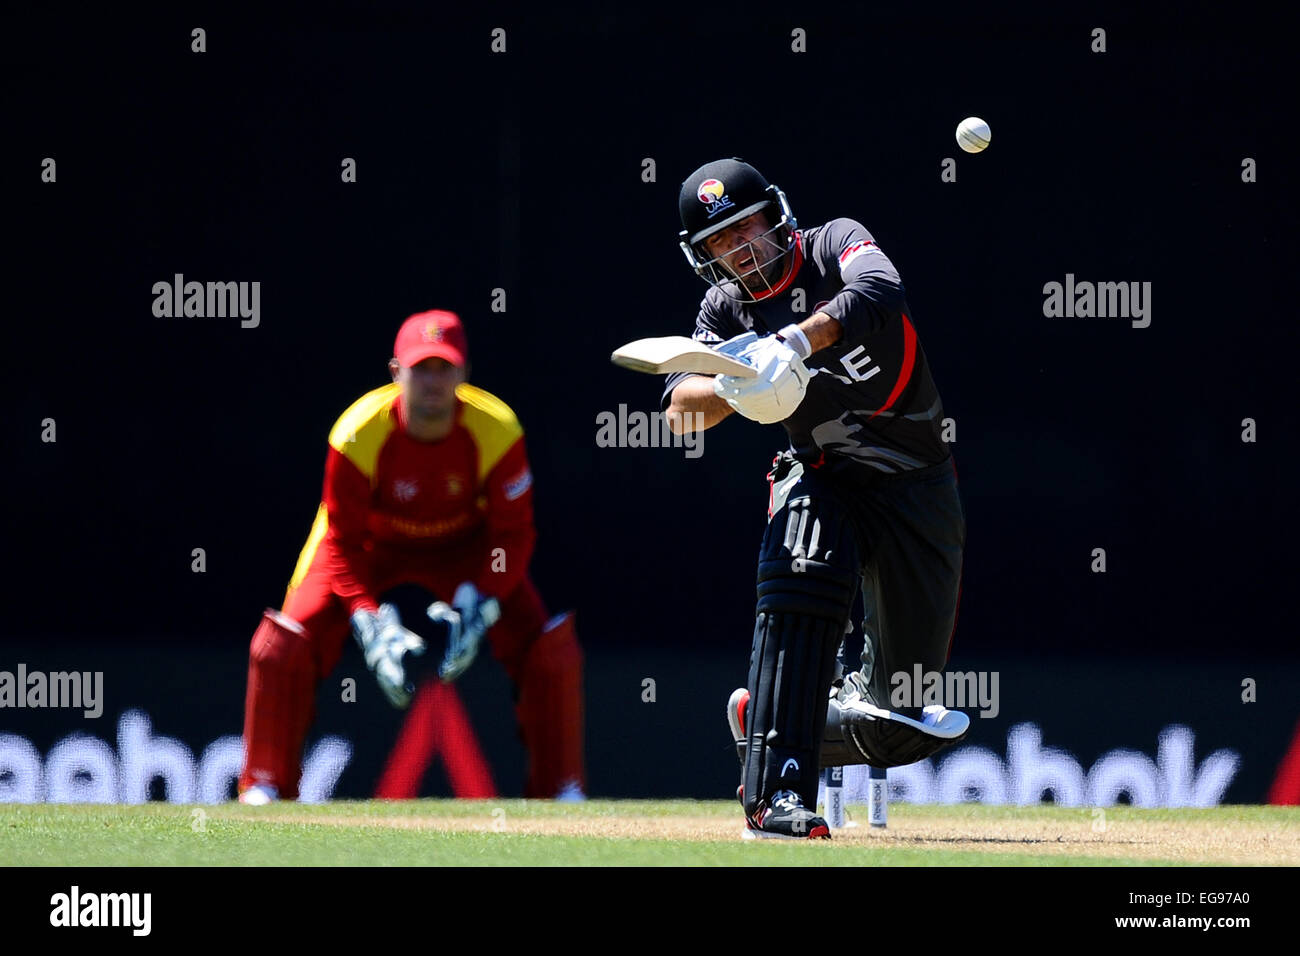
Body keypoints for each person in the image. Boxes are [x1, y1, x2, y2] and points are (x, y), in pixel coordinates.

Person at [662, 158, 968, 839]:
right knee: (799, 579)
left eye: (748, 229)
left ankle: (777, 718)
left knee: (903, 722)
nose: (741, 250)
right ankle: (775, 797)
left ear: (776, 217)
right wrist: (733, 388)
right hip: (820, 468)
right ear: (704, 256)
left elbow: (881, 288)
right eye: (720, 243)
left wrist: (793, 342)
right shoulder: (724, 308)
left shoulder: (834, 243)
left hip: (916, 480)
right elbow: (680, 406)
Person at [238, 310, 584, 803]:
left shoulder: (497, 429)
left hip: (463, 551)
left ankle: (562, 792)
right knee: (284, 643)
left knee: (547, 647)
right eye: (422, 368)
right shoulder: (357, 432)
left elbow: (514, 537)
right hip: (370, 551)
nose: (433, 382)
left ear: (463, 374)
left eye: (445, 369)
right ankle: (264, 785)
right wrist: (365, 615)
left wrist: (481, 601)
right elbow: (341, 541)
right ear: (396, 371)